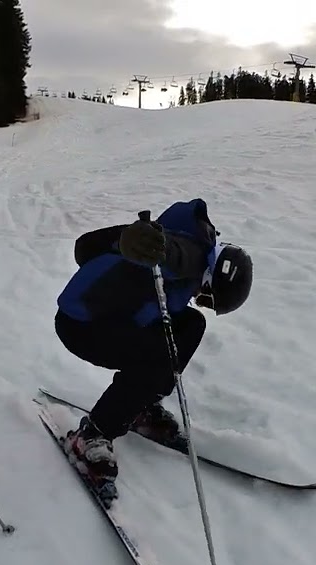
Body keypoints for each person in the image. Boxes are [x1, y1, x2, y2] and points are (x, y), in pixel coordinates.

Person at [53, 199, 253, 504]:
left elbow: (85, 247)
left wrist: (128, 242)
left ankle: (140, 406)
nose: (200, 299)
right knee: (155, 358)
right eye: (208, 298)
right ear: (212, 278)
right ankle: (92, 434)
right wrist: (158, 250)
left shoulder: (189, 242)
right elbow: (176, 254)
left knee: (190, 324)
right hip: (83, 324)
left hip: (119, 315)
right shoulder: (188, 253)